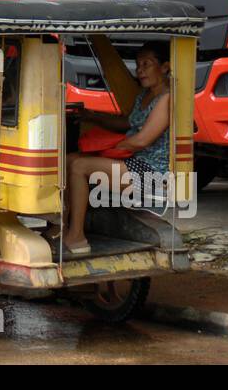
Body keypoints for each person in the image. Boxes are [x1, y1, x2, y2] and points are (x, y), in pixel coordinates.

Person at [62, 40, 172, 256]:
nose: (140, 71)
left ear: (165, 67)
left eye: (146, 64)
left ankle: (76, 236)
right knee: (68, 160)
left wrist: (108, 148)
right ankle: (63, 228)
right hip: (133, 161)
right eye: (138, 65)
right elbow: (127, 123)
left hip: (151, 172)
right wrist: (92, 116)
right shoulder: (145, 95)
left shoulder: (167, 99)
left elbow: (141, 140)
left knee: (79, 166)